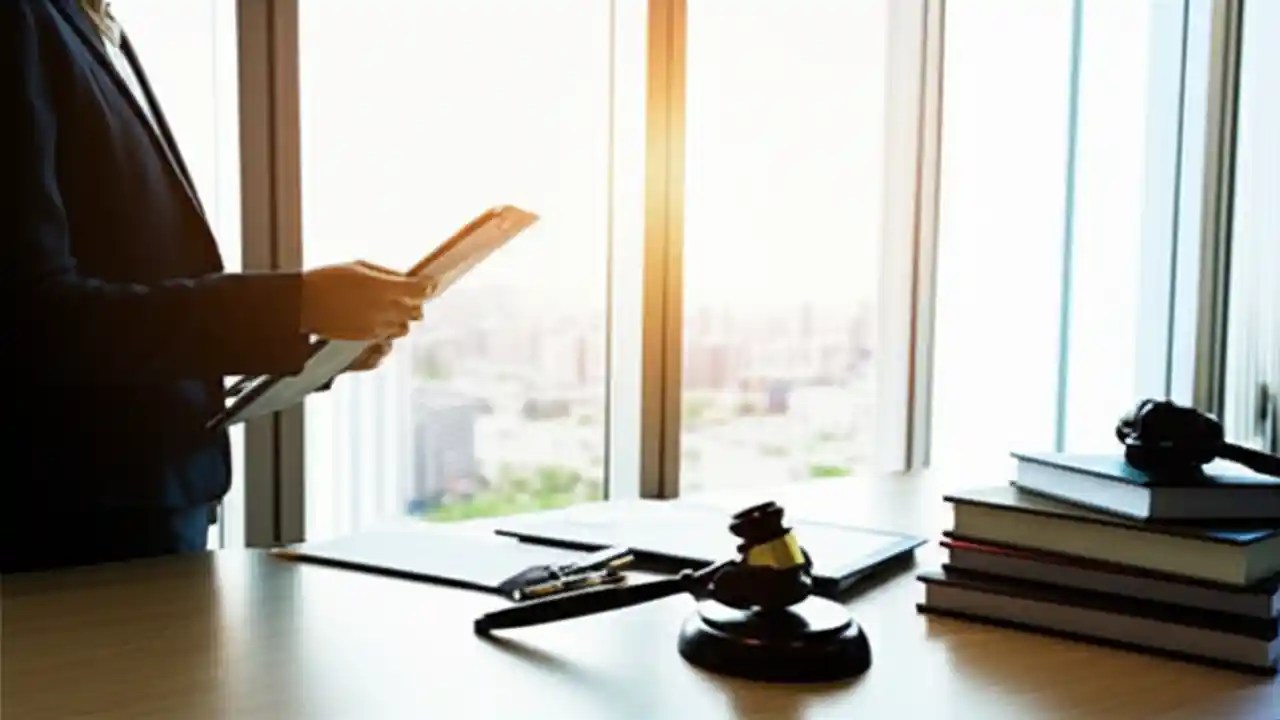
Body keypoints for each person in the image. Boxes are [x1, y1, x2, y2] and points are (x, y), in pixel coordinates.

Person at [1, 0, 434, 572]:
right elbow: (35, 317)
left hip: (142, 500)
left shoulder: (93, 25)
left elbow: (125, 274)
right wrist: (293, 305)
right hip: (75, 526)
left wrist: (310, 336)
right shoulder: (20, 21)